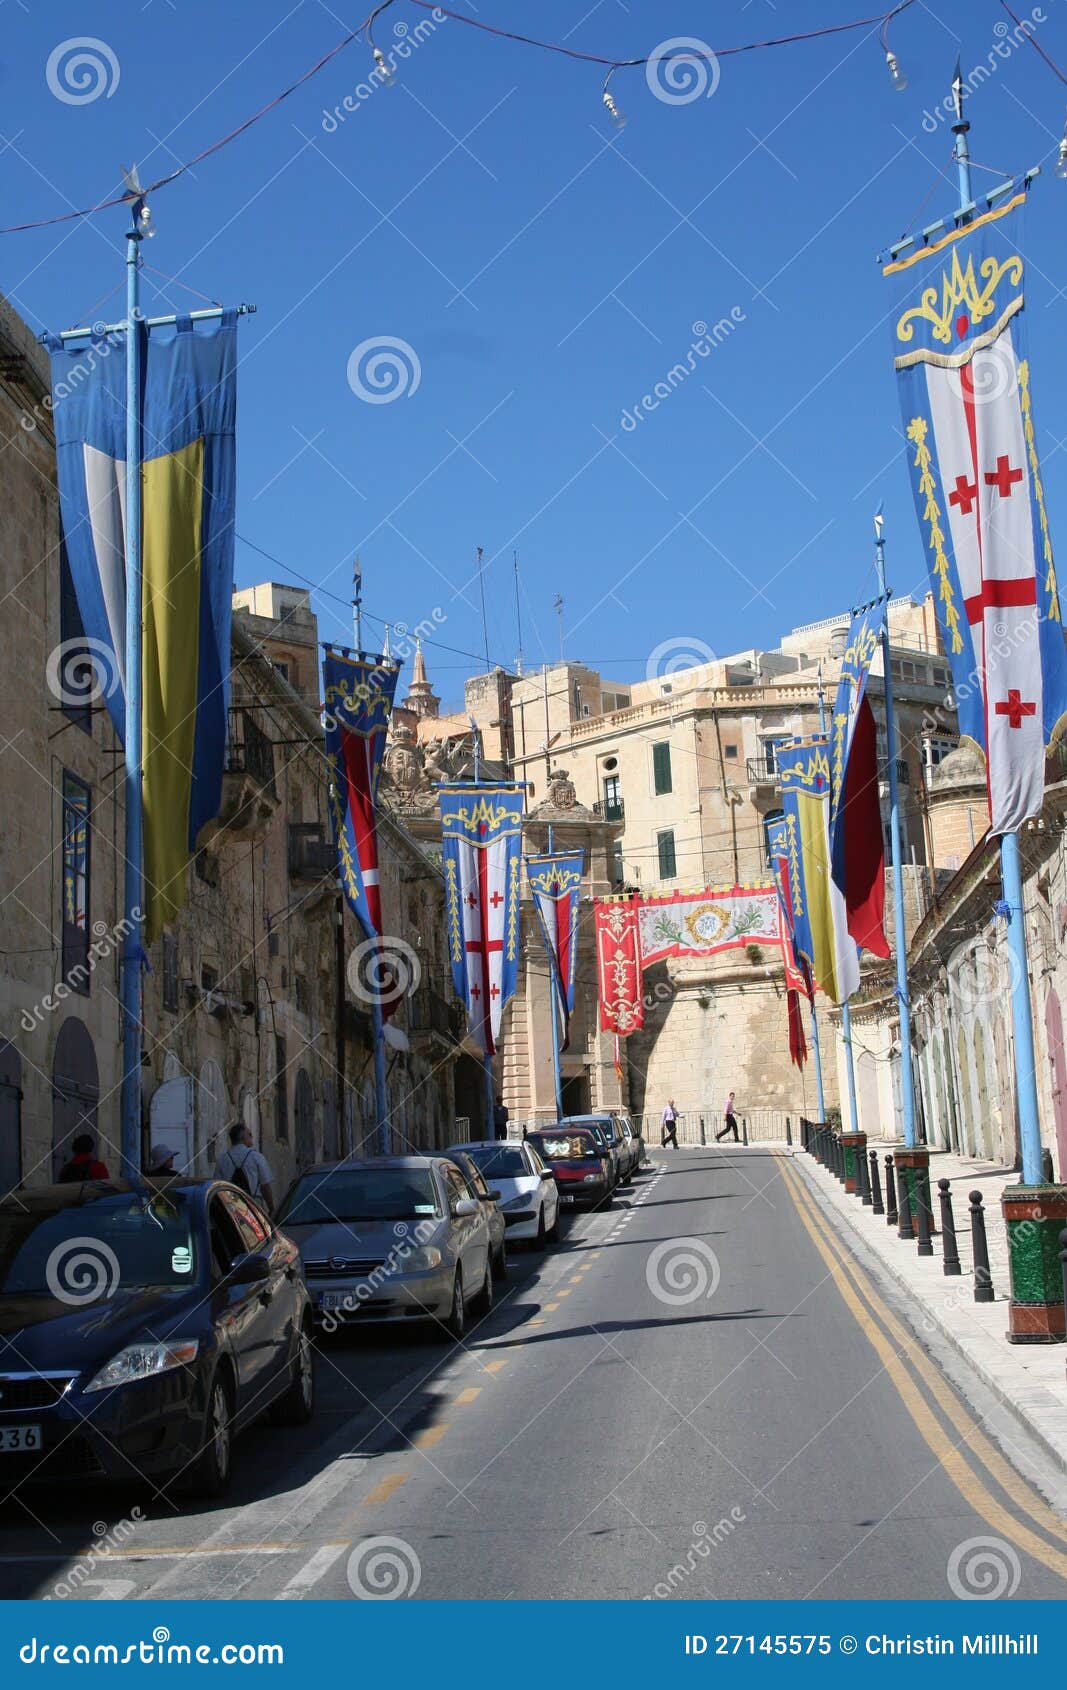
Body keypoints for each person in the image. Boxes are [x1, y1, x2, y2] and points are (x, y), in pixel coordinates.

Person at [214, 1122, 275, 1213]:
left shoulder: (222, 1160)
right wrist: (271, 1208)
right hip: (253, 1205)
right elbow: (265, 1186)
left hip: (232, 1208)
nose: (252, 1137)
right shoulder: (256, 1157)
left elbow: (217, 1187)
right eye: (250, 1134)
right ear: (243, 1138)